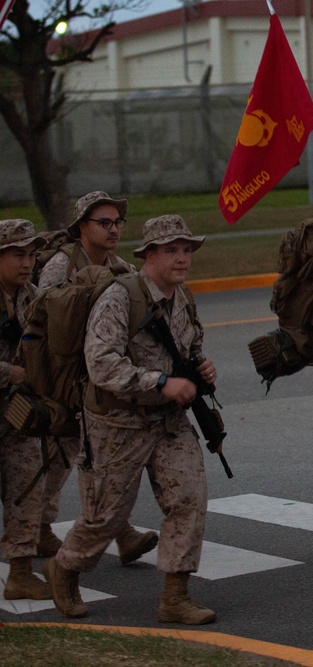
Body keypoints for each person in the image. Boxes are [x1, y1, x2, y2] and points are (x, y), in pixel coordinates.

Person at [45, 215, 219, 625]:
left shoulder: (182, 296)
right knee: (106, 517)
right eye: (172, 250)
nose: (182, 258)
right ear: (150, 255)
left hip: (168, 422)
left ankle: (175, 596)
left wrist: (200, 369)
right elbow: (101, 364)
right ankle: (65, 567)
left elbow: (190, 346)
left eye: (187, 250)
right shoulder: (120, 298)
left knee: (189, 499)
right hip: (117, 423)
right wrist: (160, 382)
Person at [34, 191, 158, 566]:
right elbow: (42, 321)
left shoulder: (121, 266)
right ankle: (38, 529)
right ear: (81, 227)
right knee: (58, 458)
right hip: (61, 377)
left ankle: (119, 532)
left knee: (93, 456)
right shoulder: (61, 265)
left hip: (97, 377)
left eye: (118, 222)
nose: (114, 229)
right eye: (104, 223)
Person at [0, 219, 51, 601]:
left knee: (25, 488)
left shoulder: (33, 296)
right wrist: (12, 372)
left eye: (32, 254)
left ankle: (20, 572)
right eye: (18, 254)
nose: (27, 262)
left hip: (16, 414)